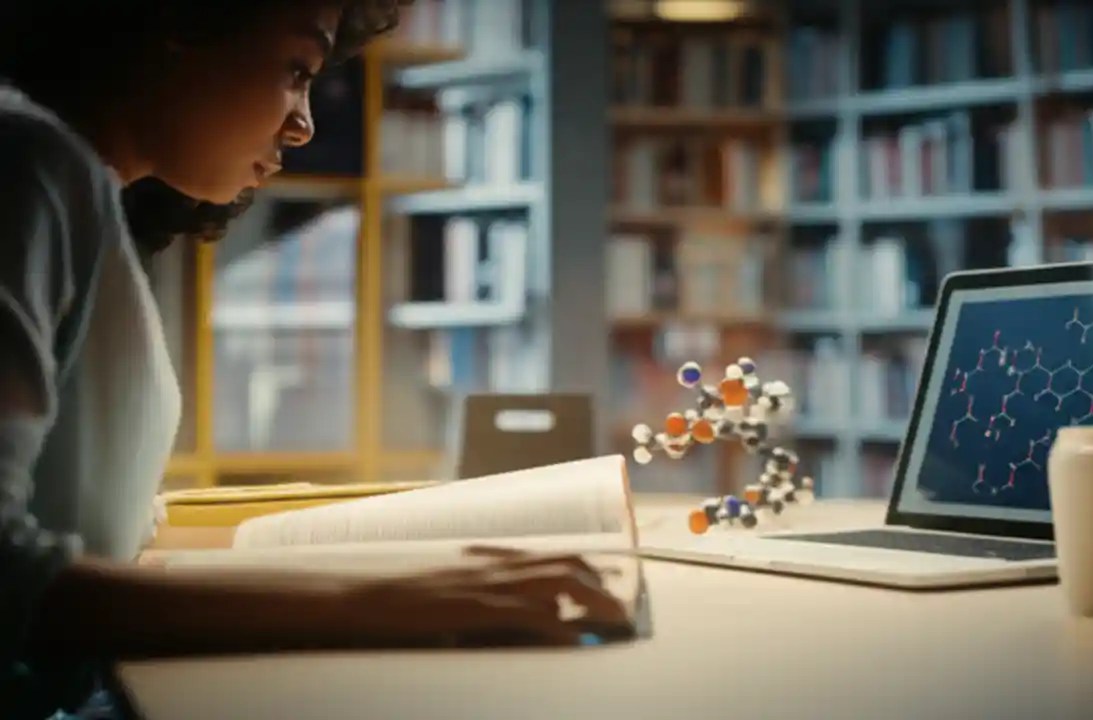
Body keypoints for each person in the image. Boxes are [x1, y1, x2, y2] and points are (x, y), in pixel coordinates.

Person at [0, 3, 626, 718]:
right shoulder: (26, 164)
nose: (304, 124)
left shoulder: (84, 199)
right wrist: (385, 602)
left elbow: (88, 526)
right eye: (296, 69)